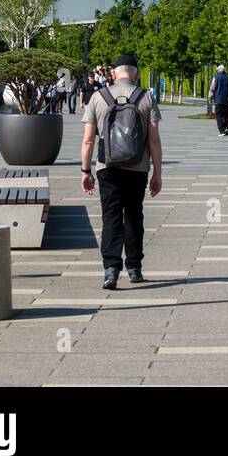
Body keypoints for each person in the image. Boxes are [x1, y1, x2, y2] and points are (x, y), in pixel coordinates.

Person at [80, 55, 163, 289]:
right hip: (137, 167)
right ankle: (134, 268)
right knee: (134, 215)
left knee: (111, 216)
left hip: (108, 167)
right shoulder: (146, 97)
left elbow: (88, 140)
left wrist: (86, 171)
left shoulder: (98, 97)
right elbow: (154, 140)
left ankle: (111, 270)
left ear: (114, 74)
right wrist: (157, 172)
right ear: (135, 74)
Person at [209, 64, 228, 137]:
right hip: (226, 100)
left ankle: (222, 130)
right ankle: (227, 128)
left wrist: (210, 98)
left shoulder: (215, 77)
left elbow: (212, 89)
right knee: (226, 115)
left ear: (219, 70)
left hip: (218, 100)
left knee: (219, 116)